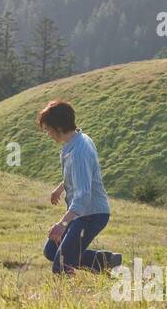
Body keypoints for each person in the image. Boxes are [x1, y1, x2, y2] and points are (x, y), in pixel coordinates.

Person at [38, 100, 122, 275]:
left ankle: (71, 296)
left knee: (61, 265)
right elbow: (81, 175)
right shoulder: (78, 140)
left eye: (48, 129)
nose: (48, 134)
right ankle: (105, 261)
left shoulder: (79, 152)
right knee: (52, 251)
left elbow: (83, 195)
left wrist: (62, 224)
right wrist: (61, 188)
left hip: (91, 215)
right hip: (83, 213)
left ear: (59, 127)